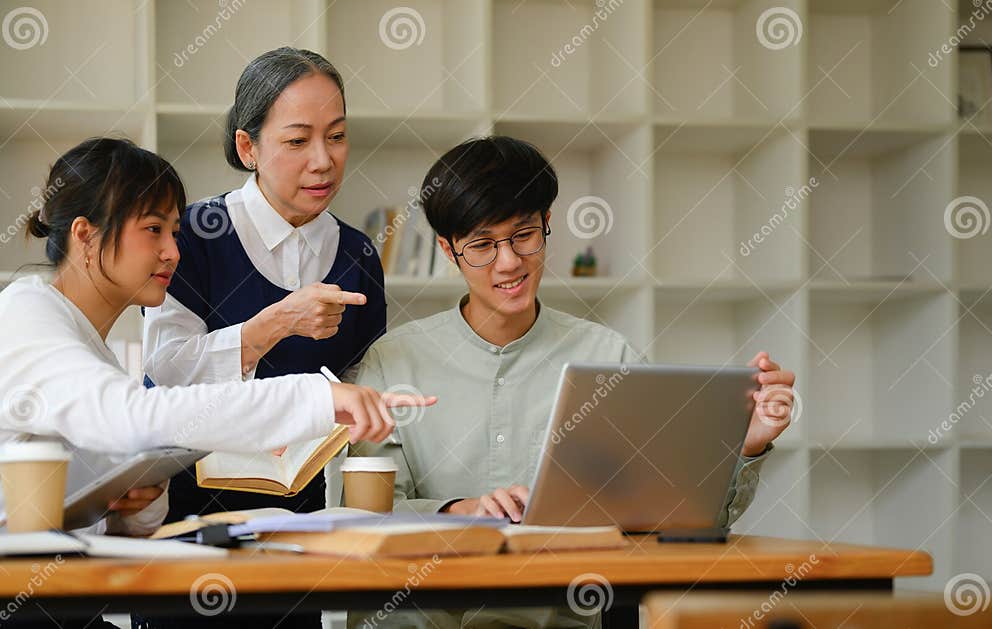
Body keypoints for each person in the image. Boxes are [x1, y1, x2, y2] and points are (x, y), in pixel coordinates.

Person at [348, 136, 796, 628]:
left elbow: (677, 524)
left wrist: (746, 447)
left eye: (524, 235)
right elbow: (362, 519)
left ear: (547, 227)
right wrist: (461, 510)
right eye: (481, 244)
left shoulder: (609, 359)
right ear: (449, 250)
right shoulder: (393, 362)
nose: (509, 262)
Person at [0, 137, 432, 628]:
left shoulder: (88, 346)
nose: (172, 252)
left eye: (175, 232)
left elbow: (104, 518)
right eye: (153, 230)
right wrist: (316, 395)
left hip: (57, 599)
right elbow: (133, 419)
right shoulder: (27, 313)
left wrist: (137, 505)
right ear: (86, 236)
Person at [142, 47, 388, 525]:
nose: (323, 161)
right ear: (247, 147)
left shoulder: (357, 253)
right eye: (297, 141)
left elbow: (363, 389)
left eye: (336, 137)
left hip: (311, 520)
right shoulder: (192, 235)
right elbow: (164, 374)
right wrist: (275, 323)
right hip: (191, 518)